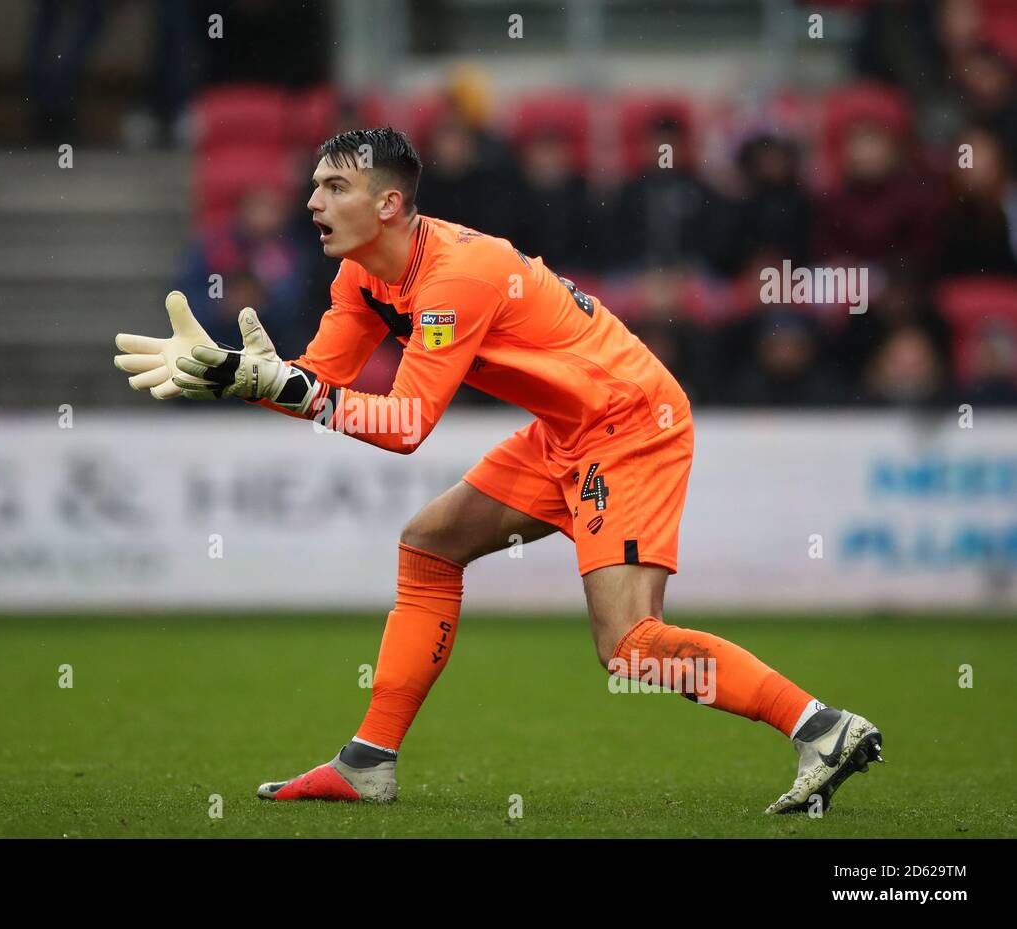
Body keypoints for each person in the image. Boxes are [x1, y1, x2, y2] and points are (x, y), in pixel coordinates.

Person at [113, 128, 884, 814]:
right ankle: (367, 762)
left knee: (628, 645)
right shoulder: (360, 276)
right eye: (314, 183)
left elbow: (406, 424)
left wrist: (285, 386)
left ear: (388, 204)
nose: (311, 198)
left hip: (627, 424)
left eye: (333, 186)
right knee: (429, 543)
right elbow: (318, 384)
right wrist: (237, 377)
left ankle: (822, 727)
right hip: (568, 426)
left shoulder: (457, 275)